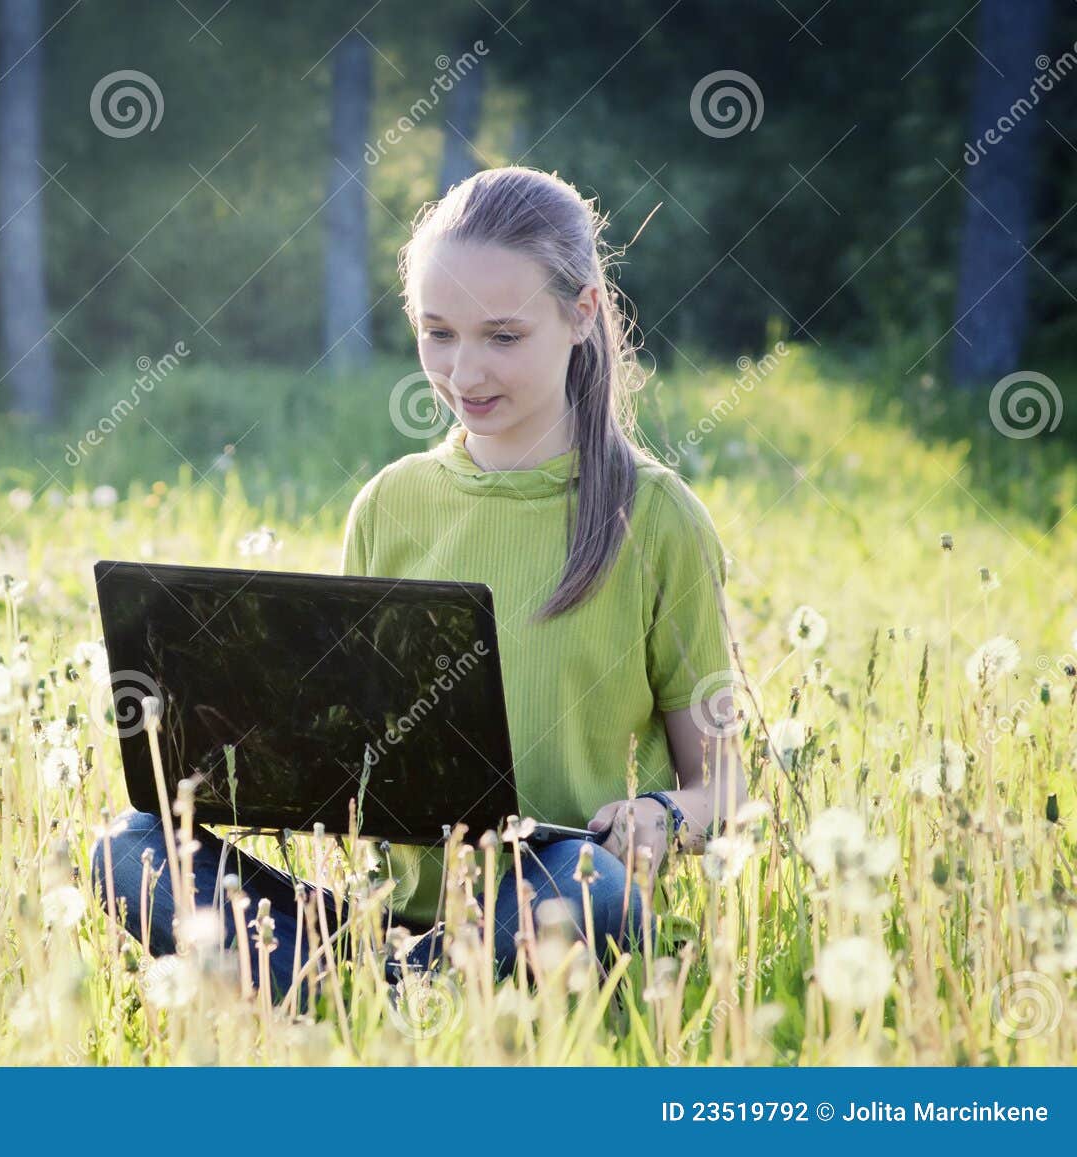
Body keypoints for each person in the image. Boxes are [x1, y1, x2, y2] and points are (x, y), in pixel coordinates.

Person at [92, 165, 749, 1003]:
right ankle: (404, 991)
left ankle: (352, 1003)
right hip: (385, 921)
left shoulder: (656, 517)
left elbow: (724, 787)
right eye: (438, 333)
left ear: (582, 312)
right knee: (132, 849)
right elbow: (354, 755)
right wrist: (251, 755)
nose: (464, 373)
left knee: (596, 888)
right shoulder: (389, 504)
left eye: (502, 337)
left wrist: (663, 814)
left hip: (550, 898)